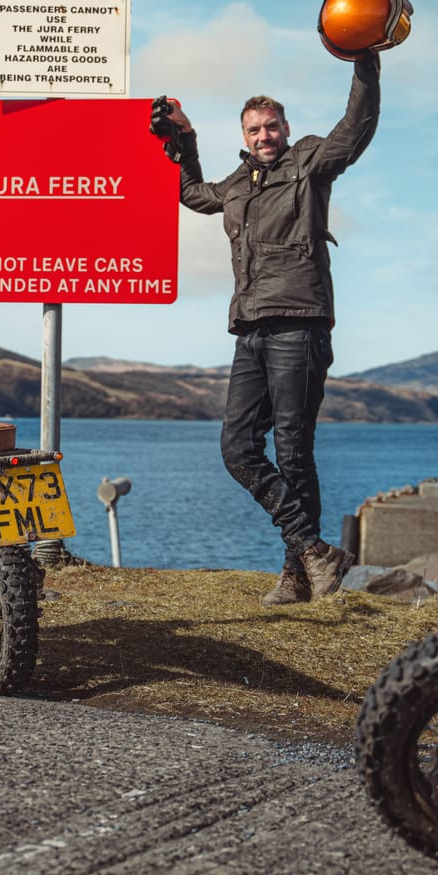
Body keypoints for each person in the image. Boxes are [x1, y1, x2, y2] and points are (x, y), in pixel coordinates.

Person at [152, 52, 381, 604]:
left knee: (293, 449)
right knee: (237, 447)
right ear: (245, 135)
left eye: (271, 126)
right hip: (250, 327)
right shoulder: (238, 183)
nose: (264, 135)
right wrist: (185, 141)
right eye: (254, 129)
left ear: (285, 126)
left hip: (299, 324)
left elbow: (355, 128)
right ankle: (314, 550)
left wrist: (365, 66)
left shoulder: (309, 163)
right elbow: (191, 194)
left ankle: (297, 575)